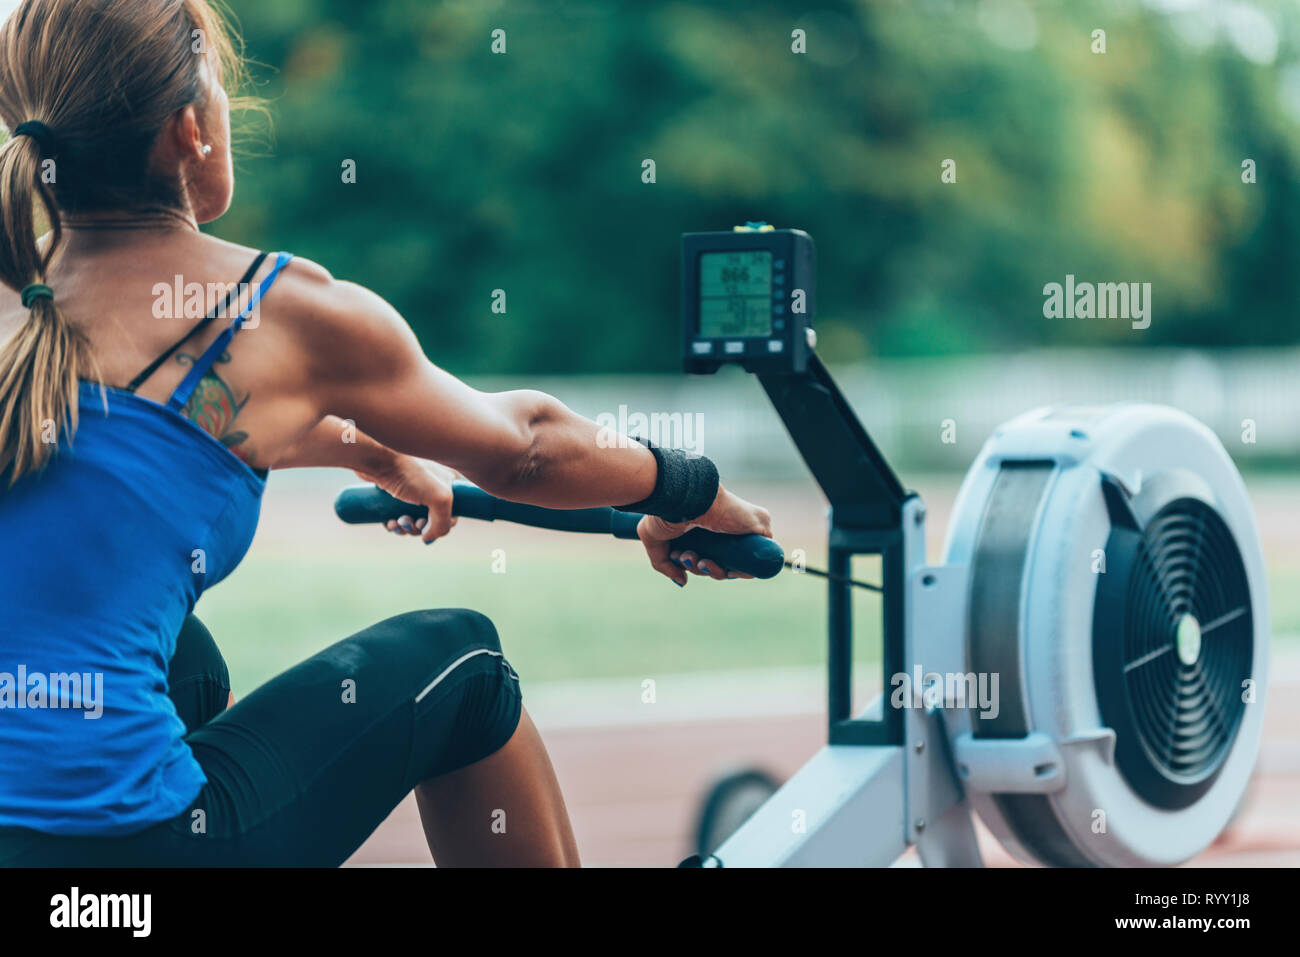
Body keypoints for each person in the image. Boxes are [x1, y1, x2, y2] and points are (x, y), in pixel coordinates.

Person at [0, 0, 770, 867]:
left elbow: (139, 445)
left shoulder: (22, 317)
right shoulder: (267, 313)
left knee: (190, 666)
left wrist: (371, 450)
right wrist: (691, 491)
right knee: (466, 665)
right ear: (190, 130)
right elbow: (526, 446)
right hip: (132, 856)